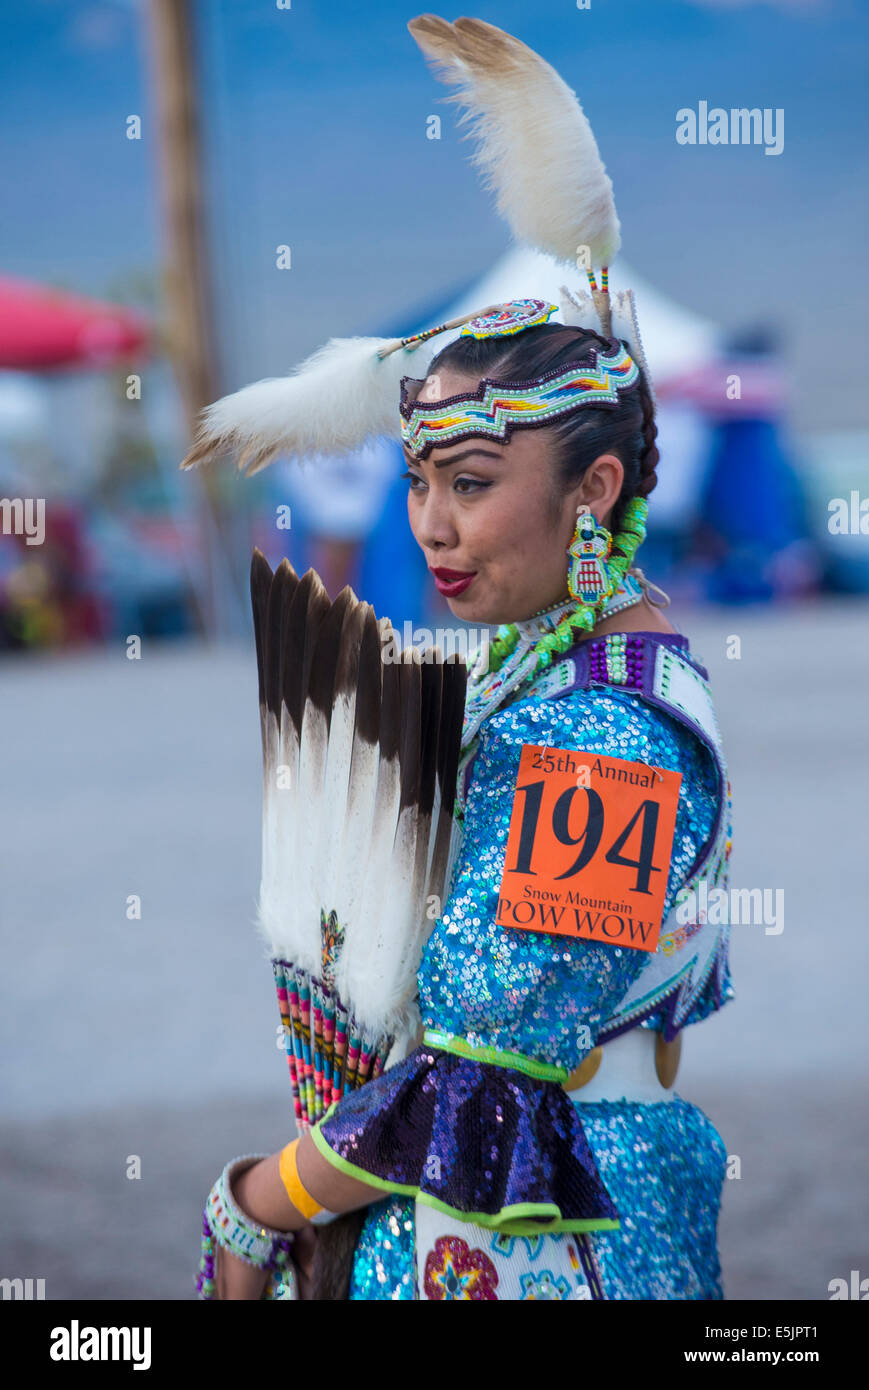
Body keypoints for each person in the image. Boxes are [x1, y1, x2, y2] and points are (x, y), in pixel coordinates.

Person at [185, 18, 734, 1302]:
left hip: (552, 1220)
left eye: (475, 483)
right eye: (420, 480)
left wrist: (255, 1203)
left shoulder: (610, 734)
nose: (432, 523)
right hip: (482, 1198)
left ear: (595, 489)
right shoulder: (550, 669)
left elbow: (487, 1064)